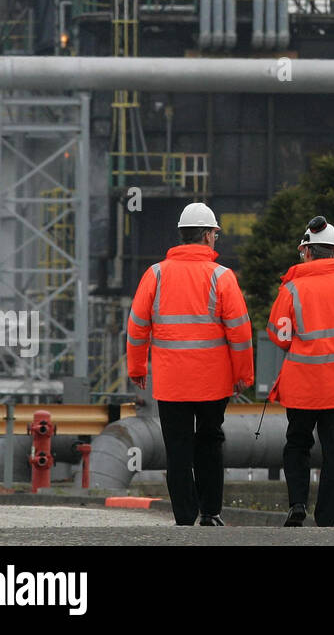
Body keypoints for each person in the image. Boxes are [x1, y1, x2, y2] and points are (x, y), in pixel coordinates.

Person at [126, 202, 253, 526]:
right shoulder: (222, 277)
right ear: (209, 236)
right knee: (210, 443)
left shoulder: (155, 274)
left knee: (178, 449)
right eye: (215, 234)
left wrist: (138, 368)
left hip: (171, 383)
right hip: (213, 383)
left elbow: (137, 326)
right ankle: (211, 513)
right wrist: (243, 374)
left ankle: (184, 517)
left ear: (182, 236)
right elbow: (239, 332)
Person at [267, 216, 334, 528]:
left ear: (307, 252)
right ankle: (326, 518)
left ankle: (298, 503)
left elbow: (279, 335)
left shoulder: (292, 290)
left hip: (302, 386)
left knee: (297, 444)